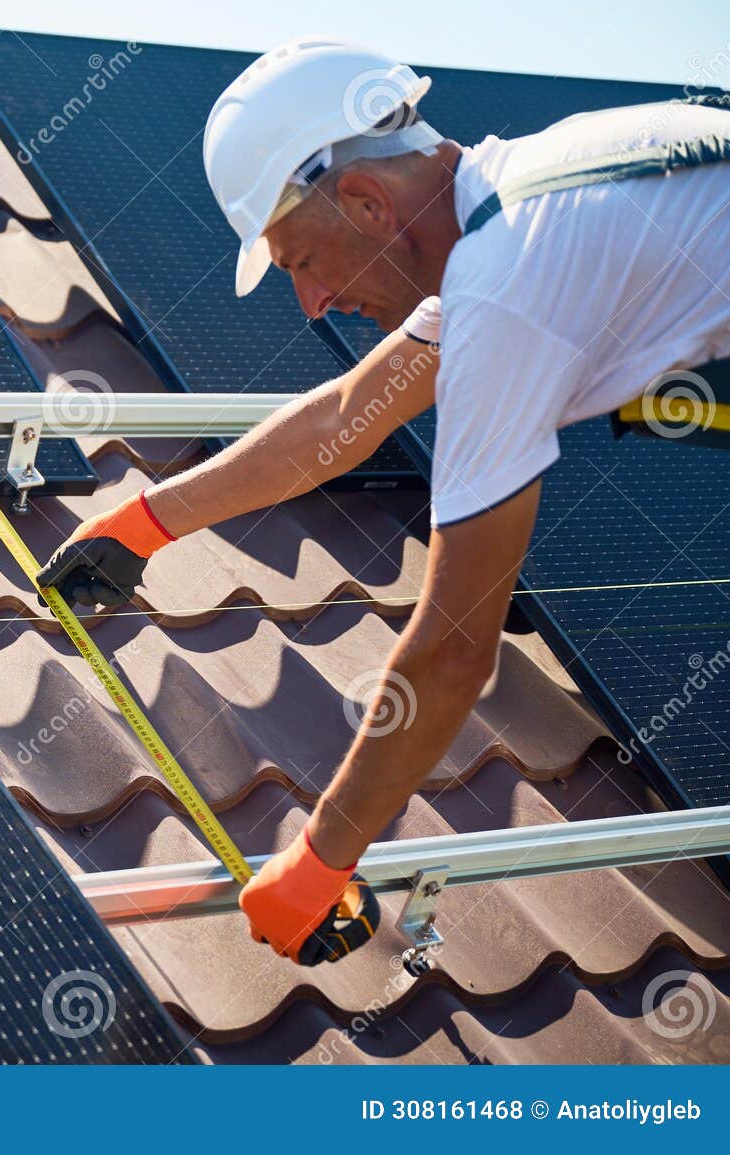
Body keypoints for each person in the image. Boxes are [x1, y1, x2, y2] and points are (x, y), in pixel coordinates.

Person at [37, 38, 730, 965]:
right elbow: (349, 415)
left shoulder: (508, 286)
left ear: (366, 203)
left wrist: (322, 855)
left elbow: (452, 649)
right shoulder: (517, 207)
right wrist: (149, 520)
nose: (314, 303)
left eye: (303, 261)